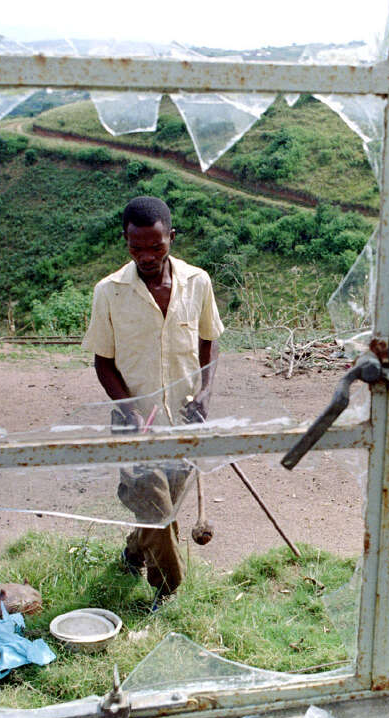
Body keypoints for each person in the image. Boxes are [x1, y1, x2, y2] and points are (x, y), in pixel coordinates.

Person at [81, 196, 224, 598]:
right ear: (125, 241)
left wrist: (206, 397)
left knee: (163, 510)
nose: (146, 255)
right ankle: (168, 591)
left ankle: (132, 553)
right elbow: (103, 363)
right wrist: (126, 407)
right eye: (136, 247)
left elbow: (209, 343)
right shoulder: (108, 292)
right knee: (161, 515)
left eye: (156, 247)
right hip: (135, 423)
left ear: (171, 238)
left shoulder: (198, 282)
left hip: (183, 422)